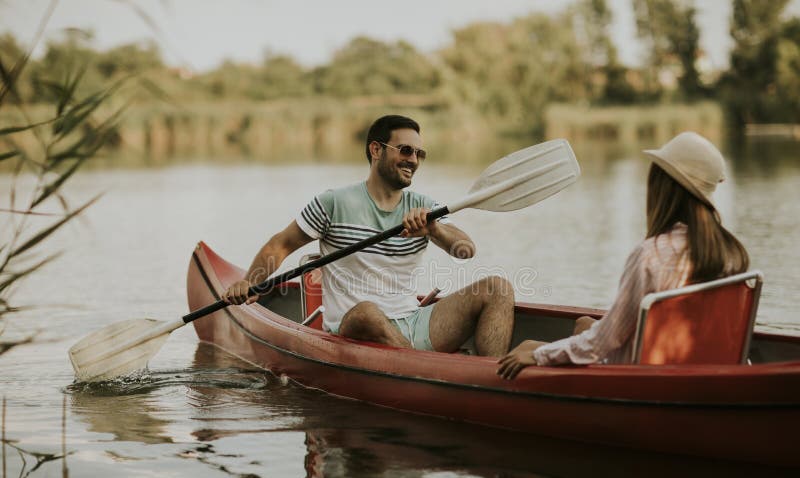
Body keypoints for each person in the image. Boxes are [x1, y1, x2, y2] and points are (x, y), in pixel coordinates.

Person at [223, 115, 515, 356]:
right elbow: (280, 245)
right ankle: (423, 370)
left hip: (414, 322)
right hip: (353, 328)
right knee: (368, 312)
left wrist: (434, 229)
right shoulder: (333, 203)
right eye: (405, 150)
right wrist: (250, 283)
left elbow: (465, 250)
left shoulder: (424, 207)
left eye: (418, 153)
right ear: (376, 150)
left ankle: (490, 380)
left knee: (497, 288)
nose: (413, 160)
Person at [498, 131, 749, 378]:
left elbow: (600, 345)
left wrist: (539, 355)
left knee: (528, 346)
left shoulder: (651, 256)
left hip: (639, 377)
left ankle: (490, 373)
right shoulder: (731, 254)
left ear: (661, 188)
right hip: (694, 367)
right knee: (584, 323)